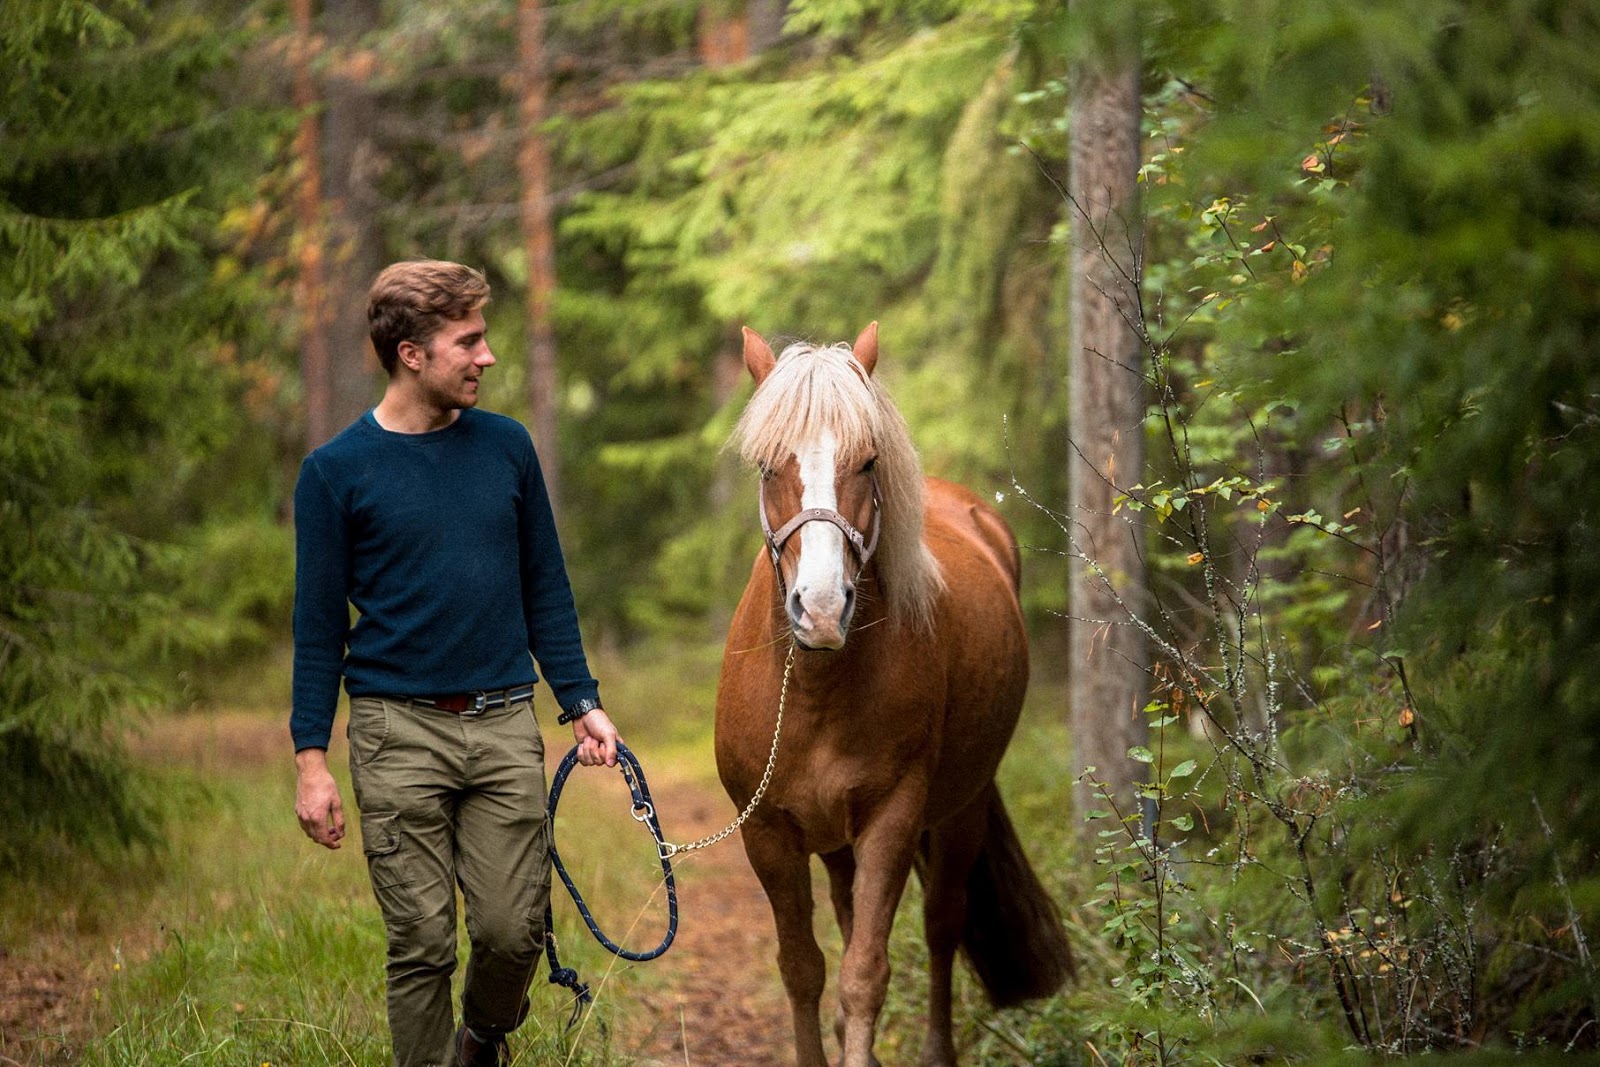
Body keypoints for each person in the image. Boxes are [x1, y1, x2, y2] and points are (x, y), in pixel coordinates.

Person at [291, 259, 620, 1067]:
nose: (487, 356)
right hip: (394, 731)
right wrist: (311, 760)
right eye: (468, 340)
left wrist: (580, 700)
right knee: (423, 940)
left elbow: (546, 585)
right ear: (411, 353)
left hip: (505, 721)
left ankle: (480, 1040)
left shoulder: (507, 449)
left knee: (515, 931)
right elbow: (316, 628)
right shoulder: (335, 473)